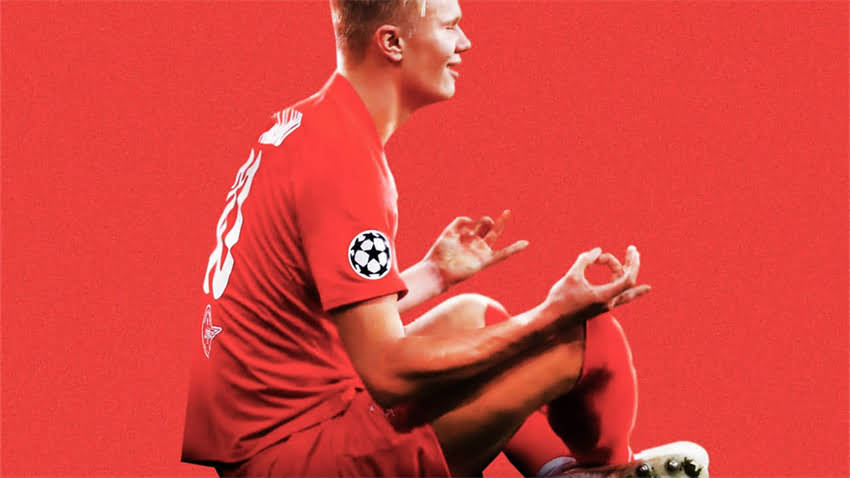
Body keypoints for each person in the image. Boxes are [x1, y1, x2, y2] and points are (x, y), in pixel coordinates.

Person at [181, 0, 710, 476]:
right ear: (392, 43)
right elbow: (388, 375)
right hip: (294, 457)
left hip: (273, 430)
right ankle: (612, 472)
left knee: (473, 315)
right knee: (591, 337)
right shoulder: (345, 165)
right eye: (450, 26)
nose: (465, 43)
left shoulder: (302, 124)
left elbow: (305, 313)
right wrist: (549, 316)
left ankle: (561, 473)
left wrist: (432, 274)